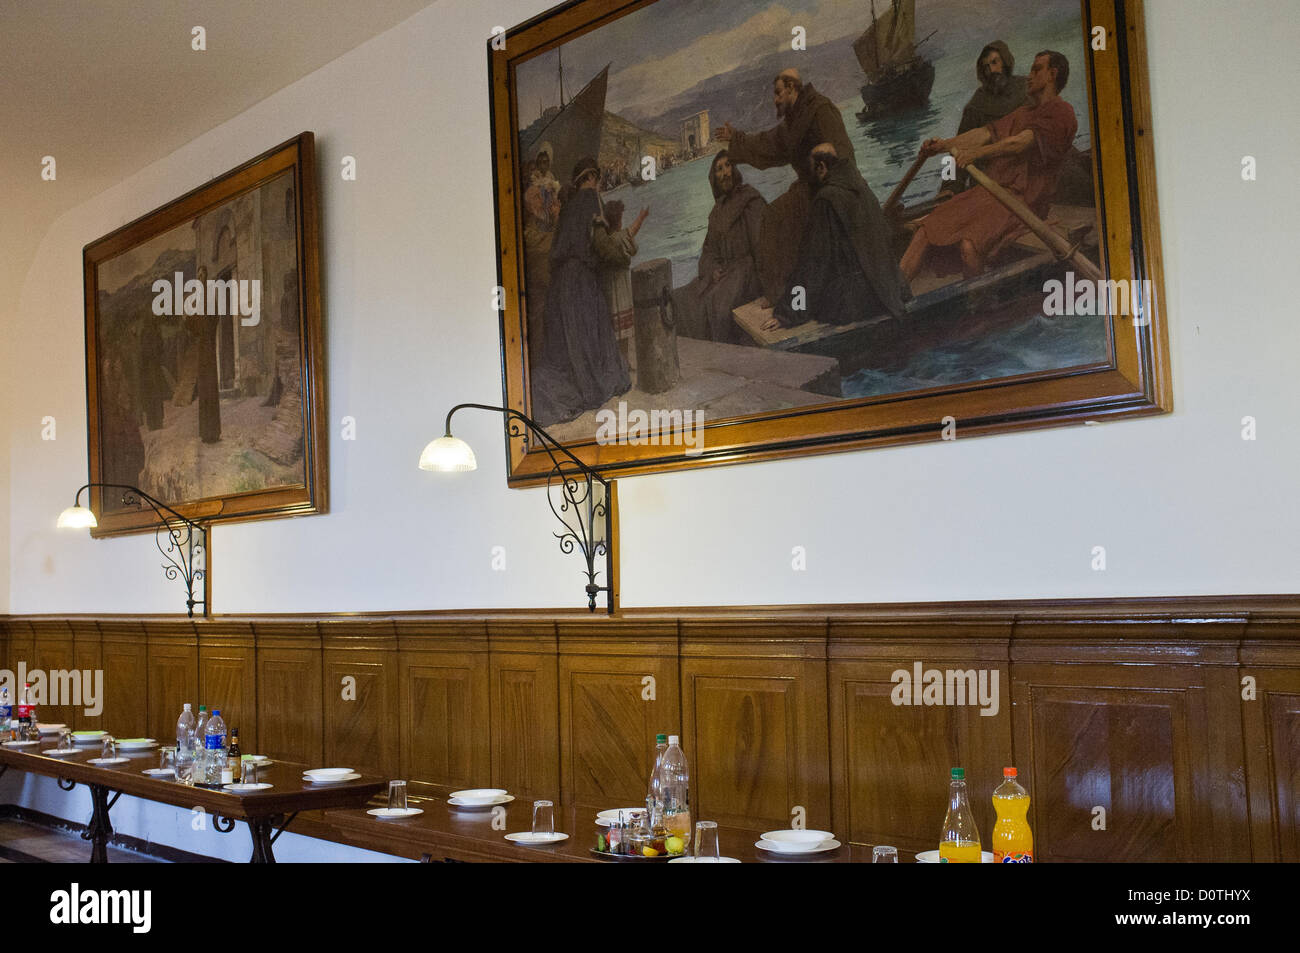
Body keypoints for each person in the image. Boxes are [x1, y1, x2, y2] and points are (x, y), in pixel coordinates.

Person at [900, 51, 1077, 282]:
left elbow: (1019, 143)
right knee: (928, 227)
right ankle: (896, 299)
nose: (1029, 76)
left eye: (1036, 70)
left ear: (1052, 75)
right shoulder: (1009, 109)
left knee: (969, 244)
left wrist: (976, 154)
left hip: (1023, 200)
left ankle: (978, 300)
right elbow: (982, 134)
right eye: (986, 66)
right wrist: (943, 146)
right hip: (990, 190)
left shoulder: (1061, 112)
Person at [715, 68, 854, 304]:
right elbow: (768, 143)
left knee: (780, 216)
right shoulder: (795, 120)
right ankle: (780, 291)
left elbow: (843, 155)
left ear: (791, 88)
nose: (775, 100)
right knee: (773, 216)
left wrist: (831, 189)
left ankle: (787, 293)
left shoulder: (821, 110)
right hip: (809, 190)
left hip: (832, 189)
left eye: (779, 93)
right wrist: (735, 139)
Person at [529, 157, 647, 427]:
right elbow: (603, 248)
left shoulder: (569, 207)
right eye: (597, 179)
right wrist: (625, 253)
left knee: (571, 340)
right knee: (589, 333)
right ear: (592, 178)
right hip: (581, 280)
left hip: (561, 284)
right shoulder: (592, 201)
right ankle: (592, 384)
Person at [765, 144, 910, 330]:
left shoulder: (826, 199)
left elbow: (814, 263)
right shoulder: (862, 189)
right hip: (889, 292)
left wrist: (788, 313)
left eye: (813, 170)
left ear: (822, 168)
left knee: (822, 297)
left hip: (856, 303)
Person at [672, 150, 767, 343]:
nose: (725, 172)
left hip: (747, 273)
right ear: (714, 177)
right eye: (719, 169)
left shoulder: (750, 199)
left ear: (735, 169)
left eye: (728, 165)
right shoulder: (717, 212)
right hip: (724, 273)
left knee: (718, 304)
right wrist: (712, 269)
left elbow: (763, 246)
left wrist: (770, 290)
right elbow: (708, 252)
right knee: (680, 298)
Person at [939, 41, 1028, 198]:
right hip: (992, 178)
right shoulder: (977, 104)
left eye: (995, 62)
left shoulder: (1026, 87)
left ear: (1005, 62)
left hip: (1025, 169)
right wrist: (948, 187)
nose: (992, 70)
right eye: (986, 67)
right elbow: (957, 148)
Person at [523, 144, 562, 365]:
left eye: (547, 161)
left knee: (552, 309)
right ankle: (538, 360)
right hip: (539, 249)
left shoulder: (551, 183)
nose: (544, 164)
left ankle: (551, 357)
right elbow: (537, 213)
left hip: (548, 246)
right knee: (538, 312)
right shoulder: (533, 188)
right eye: (541, 161)